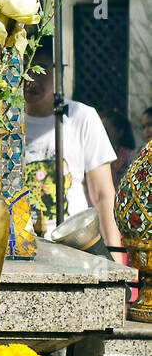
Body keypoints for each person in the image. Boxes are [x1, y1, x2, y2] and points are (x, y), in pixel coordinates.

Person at [22, 44, 118, 246]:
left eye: (41, 69)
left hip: (75, 244)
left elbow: (103, 195)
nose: (32, 78)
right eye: (25, 67)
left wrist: (114, 252)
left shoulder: (82, 117)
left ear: (59, 71)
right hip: (20, 245)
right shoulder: (5, 121)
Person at [99, 105, 136, 187]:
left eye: (106, 131)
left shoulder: (130, 157)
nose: (101, 135)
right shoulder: (95, 155)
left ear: (120, 132)